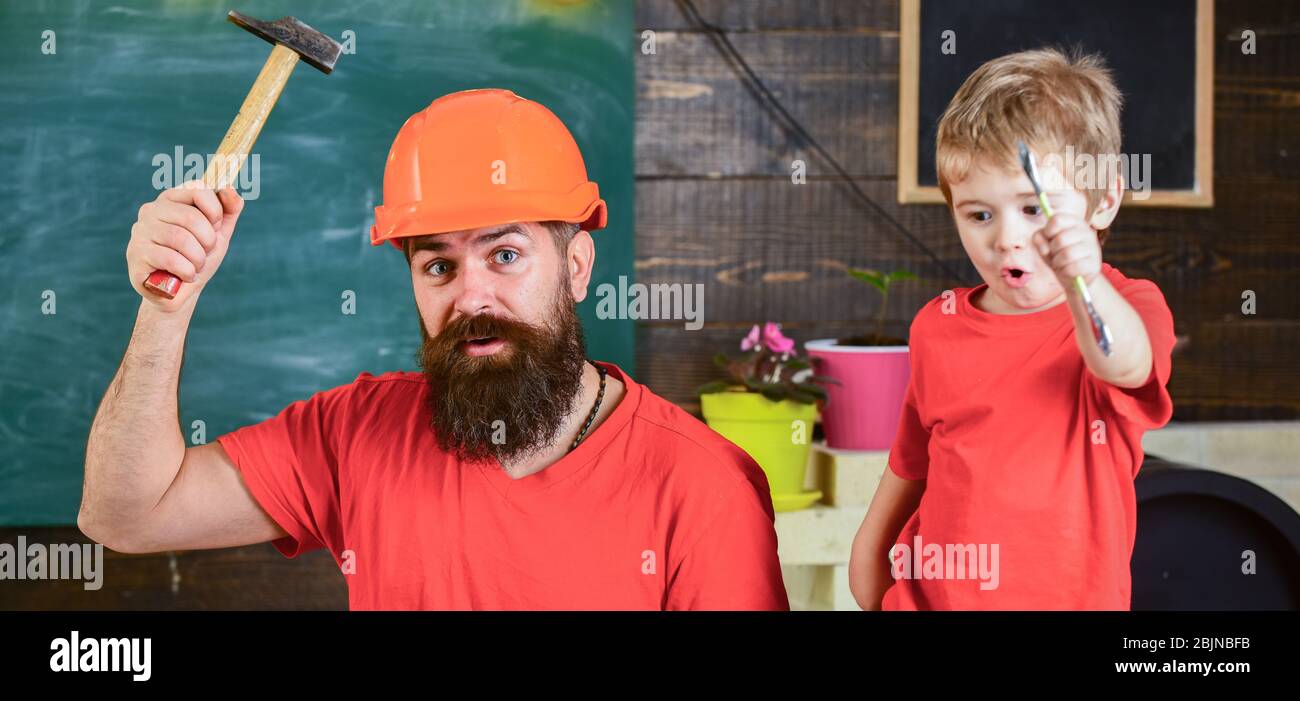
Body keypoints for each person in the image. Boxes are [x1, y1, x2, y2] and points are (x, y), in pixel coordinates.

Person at [80, 88, 789, 611]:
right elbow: (124, 514)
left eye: (505, 253)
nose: (472, 297)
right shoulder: (356, 433)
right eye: (439, 266)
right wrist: (165, 308)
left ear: (576, 269)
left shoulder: (702, 488)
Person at [848, 50, 1176, 610]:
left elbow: (1122, 361)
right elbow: (913, 462)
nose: (1007, 239)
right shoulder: (938, 324)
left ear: (1104, 201)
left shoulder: (1127, 305)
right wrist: (868, 570)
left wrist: (1085, 280)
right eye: (979, 214)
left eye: (1034, 208)